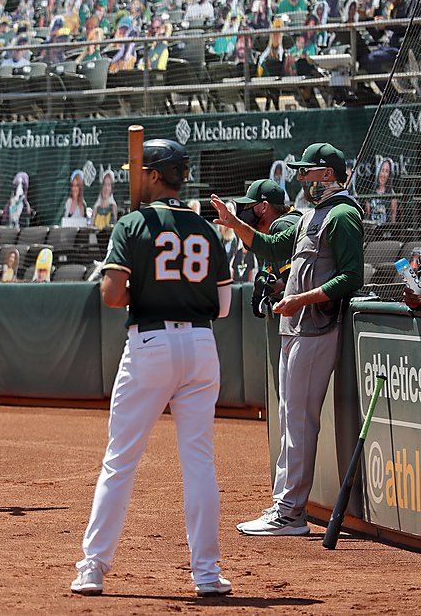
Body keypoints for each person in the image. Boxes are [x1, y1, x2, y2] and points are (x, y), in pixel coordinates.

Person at [73, 139, 233, 599]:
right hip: (202, 346)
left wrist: (143, 283)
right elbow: (222, 307)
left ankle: (93, 569)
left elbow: (111, 295)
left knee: (120, 460)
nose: (132, 176)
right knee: (199, 462)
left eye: (139, 170)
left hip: (151, 345)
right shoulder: (205, 229)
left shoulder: (132, 223)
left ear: (157, 175)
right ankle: (206, 573)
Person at [210, 143, 364, 536]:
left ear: (327, 174)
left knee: (298, 420)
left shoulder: (344, 214)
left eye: (306, 172)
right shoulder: (311, 213)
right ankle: (284, 503)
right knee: (288, 419)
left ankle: (291, 512)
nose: (300, 178)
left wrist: (301, 298)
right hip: (295, 327)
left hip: (317, 327)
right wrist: (235, 224)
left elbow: (352, 278)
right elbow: (272, 246)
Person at [231, 179, 302, 318]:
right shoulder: (270, 230)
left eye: (249, 206)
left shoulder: (282, 225)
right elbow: (269, 267)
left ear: (264, 206)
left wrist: (270, 287)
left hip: (306, 317)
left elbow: (291, 281)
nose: (245, 212)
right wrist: (263, 278)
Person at [366, 158, 398, 225]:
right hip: (372, 232)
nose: (383, 174)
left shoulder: (392, 196)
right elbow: (367, 216)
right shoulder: (371, 193)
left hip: (385, 232)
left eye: (386, 171)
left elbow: (393, 221)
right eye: (382, 170)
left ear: (389, 175)